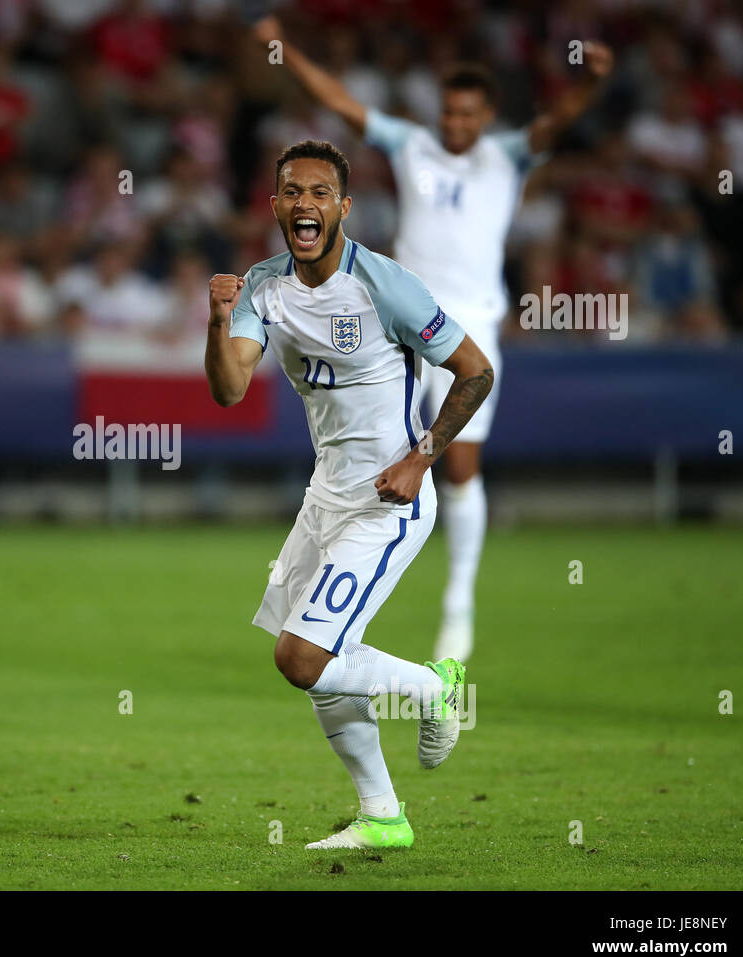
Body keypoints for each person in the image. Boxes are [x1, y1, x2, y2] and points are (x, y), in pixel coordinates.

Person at [254, 16, 613, 662]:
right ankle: (342, 594)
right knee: (379, 453)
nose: (454, 124)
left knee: (460, 464)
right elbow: (337, 101)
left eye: (467, 115)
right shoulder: (410, 143)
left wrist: (589, 84)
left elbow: (556, 122)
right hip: (399, 321)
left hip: (467, 329)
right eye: (448, 112)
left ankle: (458, 600)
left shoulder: (506, 155)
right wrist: (283, 50)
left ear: (486, 115)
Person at [204, 140, 492, 849]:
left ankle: (434, 687)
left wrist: (421, 459)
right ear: (275, 206)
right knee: (327, 661)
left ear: (342, 207)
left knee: (302, 655)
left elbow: (476, 372)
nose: (306, 204)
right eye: (292, 192)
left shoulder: (385, 284)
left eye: (320, 192)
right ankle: (383, 815)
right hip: (324, 499)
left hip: (388, 503)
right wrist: (217, 321)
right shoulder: (263, 286)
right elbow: (228, 388)